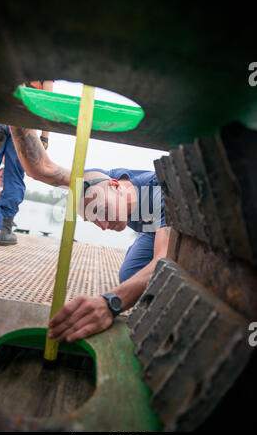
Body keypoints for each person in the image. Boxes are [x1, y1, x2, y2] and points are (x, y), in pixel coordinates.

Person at [10, 126, 170, 341]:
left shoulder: (160, 192)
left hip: (171, 226)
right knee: (129, 277)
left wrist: (110, 303)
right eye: (94, 221)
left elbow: (162, 261)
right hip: (150, 230)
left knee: (158, 277)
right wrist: (16, 117)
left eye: (101, 211)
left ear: (116, 186)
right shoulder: (93, 183)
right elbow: (41, 169)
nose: (103, 226)